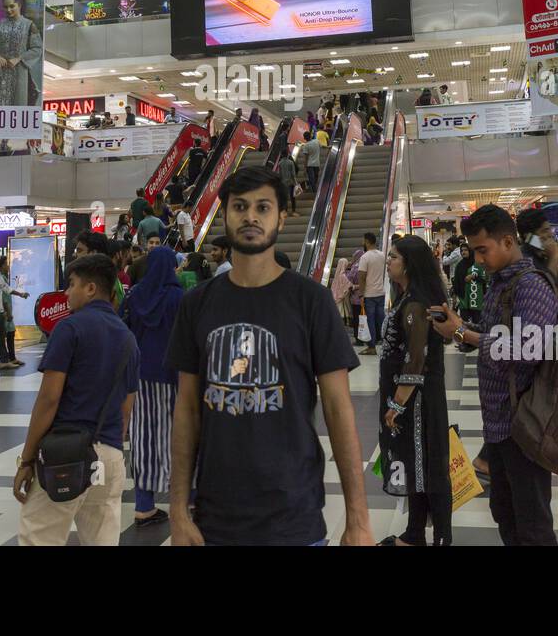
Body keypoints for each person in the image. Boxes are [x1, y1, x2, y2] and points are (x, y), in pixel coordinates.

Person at [165, 165, 373, 546]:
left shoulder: (311, 301)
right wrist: (178, 510)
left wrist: (358, 520)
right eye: (239, 206)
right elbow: (187, 411)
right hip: (214, 519)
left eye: (263, 207)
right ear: (224, 214)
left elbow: (339, 409)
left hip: (294, 518)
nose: (250, 217)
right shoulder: (197, 304)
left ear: (282, 216)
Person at [427, 205, 558, 544]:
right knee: (505, 510)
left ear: (507, 241)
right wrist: (459, 328)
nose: (478, 259)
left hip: (526, 423)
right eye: (474, 251)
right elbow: (496, 335)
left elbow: (528, 349)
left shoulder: (530, 285)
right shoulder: (502, 283)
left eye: (483, 250)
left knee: (532, 522)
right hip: (500, 423)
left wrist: (465, 335)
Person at [14, 254, 138, 545]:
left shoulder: (69, 329)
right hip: (110, 456)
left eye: (71, 285)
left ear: (91, 288)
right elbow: (126, 409)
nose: (66, 293)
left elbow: (48, 400)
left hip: (66, 454)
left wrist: (27, 459)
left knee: (39, 536)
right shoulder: (128, 338)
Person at [378, 235, 452, 545]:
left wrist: (396, 405)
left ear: (408, 264)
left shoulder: (416, 304)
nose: (389, 261)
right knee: (416, 467)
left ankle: (442, 537)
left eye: (393, 257)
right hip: (413, 398)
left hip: (417, 401)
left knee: (429, 467)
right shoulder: (410, 298)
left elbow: (416, 361)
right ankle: (414, 533)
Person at [122, 245, 184, 528]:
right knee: (179, 436)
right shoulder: (179, 297)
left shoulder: (134, 295)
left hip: (139, 378)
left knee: (143, 439)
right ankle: (186, 500)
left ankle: (144, 506)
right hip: (173, 377)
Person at [0, 0, 41, 107]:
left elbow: (37, 48)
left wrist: (19, 59)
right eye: (6, 7)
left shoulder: (29, 25)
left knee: (18, 102)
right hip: (0, 71)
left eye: (12, 6)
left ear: (19, 5)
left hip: (20, 71)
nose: (9, 10)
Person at [356, 231, 386, 356]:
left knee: (370, 321)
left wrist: (361, 294)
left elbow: (361, 277)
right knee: (382, 320)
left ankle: (372, 347)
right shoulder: (382, 255)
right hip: (381, 292)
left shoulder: (365, 257)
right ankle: (387, 344)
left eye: (363, 240)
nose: (362, 242)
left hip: (369, 294)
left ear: (367, 241)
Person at [277, 147, 299, 213]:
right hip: (291, 182)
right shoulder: (290, 162)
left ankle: (285, 211)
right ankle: (293, 211)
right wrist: (296, 183)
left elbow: (279, 174)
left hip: (283, 183)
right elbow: (293, 174)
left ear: (282, 155)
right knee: (292, 197)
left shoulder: (280, 163)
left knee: (285, 198)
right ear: (287, 154)